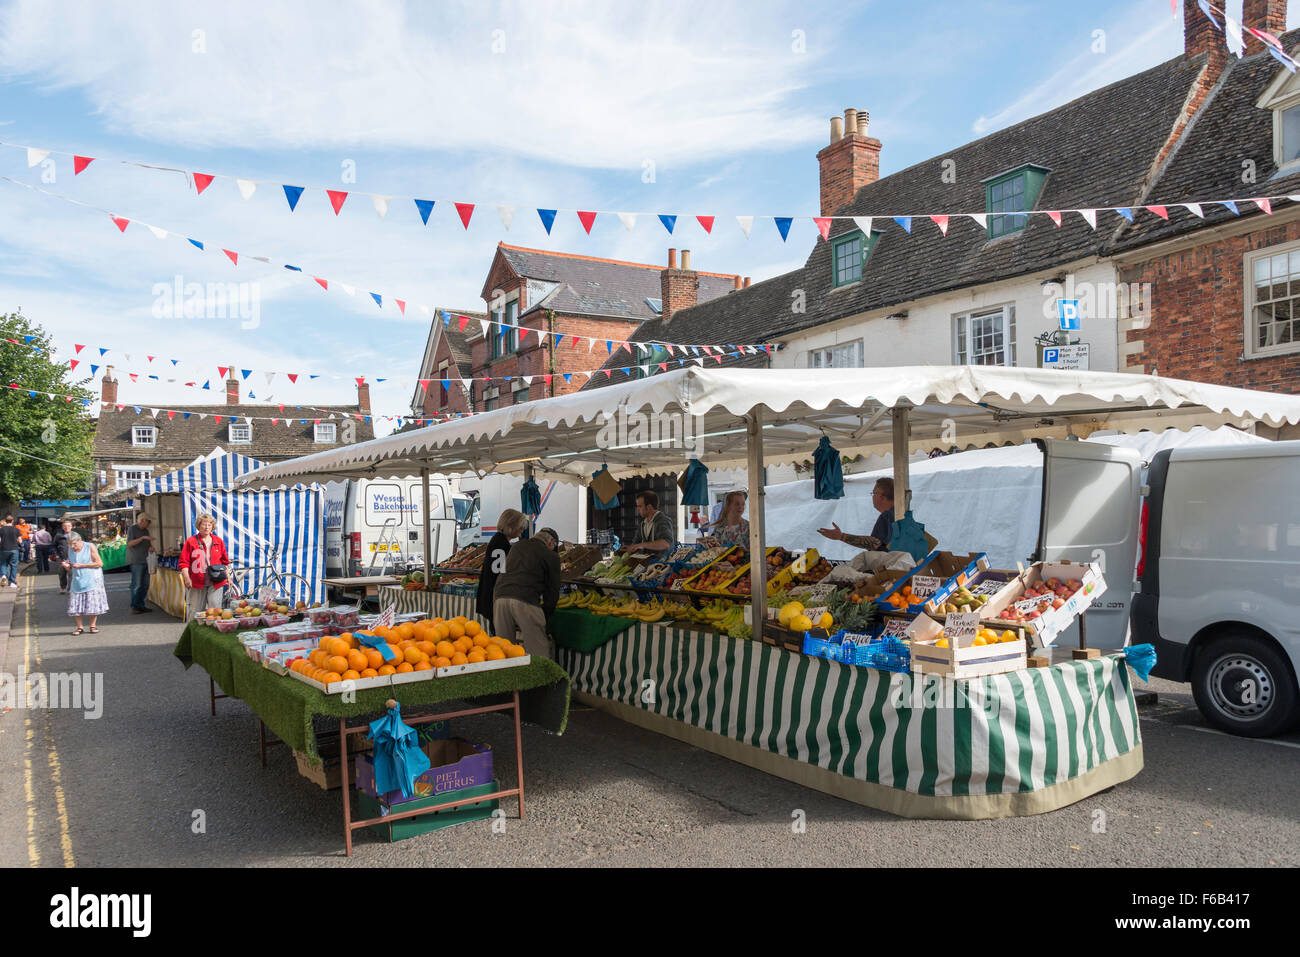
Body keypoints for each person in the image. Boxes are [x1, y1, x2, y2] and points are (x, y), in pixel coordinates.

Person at [493, 526, 562, 659]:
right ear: (552, 542)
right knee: (538, 652)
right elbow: (552, 590)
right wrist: (546, 614)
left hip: (500, 597)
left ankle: (506, 677)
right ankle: (541, 679)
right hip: (525, 599)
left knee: (503, 650)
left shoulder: (517, 546)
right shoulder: (551, 555)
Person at [476, 508, 525, 632]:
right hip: (495, 598)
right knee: (499, 635)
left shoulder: (499, 540)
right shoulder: (501, 544)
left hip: (492, 597)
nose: (522, 530)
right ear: (511, 526)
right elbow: (499, 574)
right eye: (520, 527)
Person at [817, 477, 896, 552]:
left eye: (873, 493)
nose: (872, 497)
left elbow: (874, 544)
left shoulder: (887, 516)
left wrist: (841, 536)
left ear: (880, 496)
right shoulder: (901, 513)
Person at [179, 513, 231, 616]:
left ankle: (214, 631)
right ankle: (193, 632)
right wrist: (186, 578)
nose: (206, 527)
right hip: (197, 582)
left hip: (216, 582)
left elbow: (225, 562)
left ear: (212, 527)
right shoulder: (191, 541)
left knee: (215, 611)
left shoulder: (218, 541)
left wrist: (228, 577)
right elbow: (183, 562)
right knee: (196, 611)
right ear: (199, 526)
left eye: (209, 525)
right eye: (204, 524)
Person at [62, 531, 106, 634]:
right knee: (76, 603)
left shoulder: (89, 546)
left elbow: (99, 563)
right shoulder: (70, 549)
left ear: (80, 540)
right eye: (70, 544)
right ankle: (80, 627)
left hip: (92, 578)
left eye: (74, 544)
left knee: (92, 603)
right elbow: (71, 567)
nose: (72, 546)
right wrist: (67, 566)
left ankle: (93, 626)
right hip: (78, 578)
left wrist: (82, 565)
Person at [126, 513, 156, 615]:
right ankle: (134, 606)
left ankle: (141, 605)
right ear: (142, 520)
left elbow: (147, 545)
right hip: (136, 561)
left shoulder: (146, 531)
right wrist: (142, 538)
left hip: (146, 560)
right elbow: (130, 544)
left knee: (145, 584)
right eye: (148, 521)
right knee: (137, 584)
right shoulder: (132, 529)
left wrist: (150, 547)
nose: (149, 524)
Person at [53, 519, 74, 593]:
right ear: (62, 527)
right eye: (65, 526)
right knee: (62, 573)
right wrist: (56, 555)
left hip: (73, 558)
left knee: (72, 574)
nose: (66, 527)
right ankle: (63, 587)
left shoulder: (75, 535)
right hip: (62, 558)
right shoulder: (58, 536)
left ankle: (70, 588)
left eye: (68, 526)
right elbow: (54, 546)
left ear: (71, 527)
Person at [0, 515, 20, 589]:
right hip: (14, 549)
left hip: (3, 549)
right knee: (13, 566)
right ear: (12, 521)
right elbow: (20, 540)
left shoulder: (1, 529)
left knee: (3, 564)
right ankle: (12, 582)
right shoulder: (16, 530)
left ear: (5, 521)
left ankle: (4, 575)